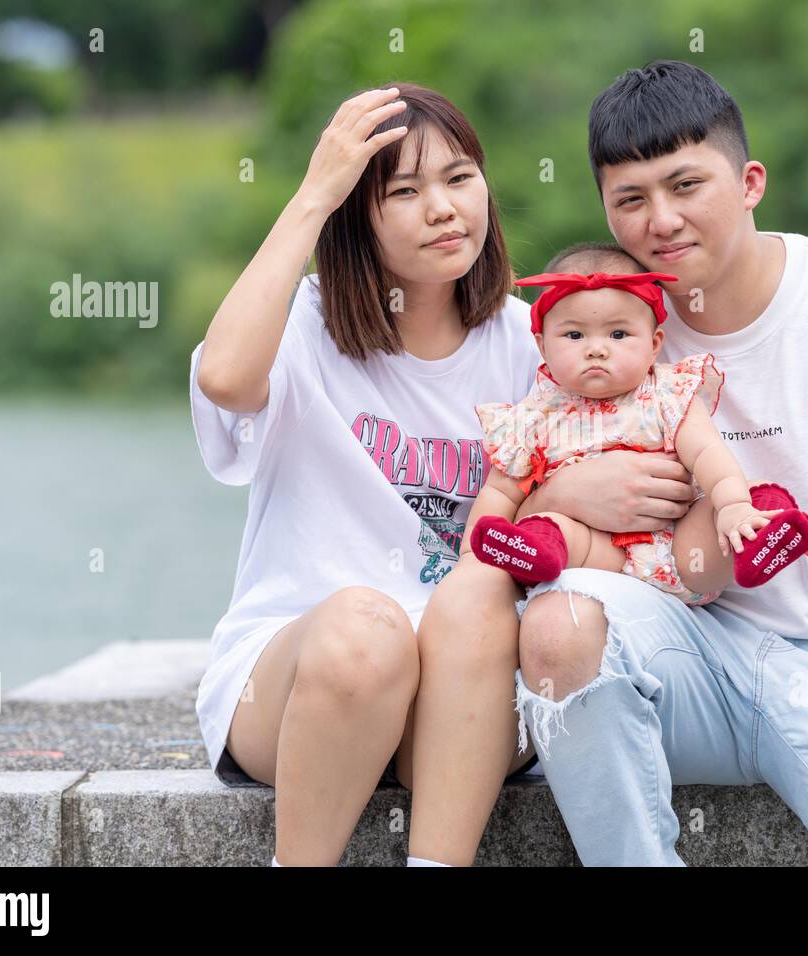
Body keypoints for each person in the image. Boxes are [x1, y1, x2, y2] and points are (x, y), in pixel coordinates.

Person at [508, 60, 808, 866]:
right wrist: (561, 491)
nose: (661, 220)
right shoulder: (597, 330)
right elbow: (514, 510)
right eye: (630, 199)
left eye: (686, 185)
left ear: (750, 182)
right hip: (686, 655)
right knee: (559, 621)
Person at [190, 82, 551, 867]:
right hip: (303, 688)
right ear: (357, 214)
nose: (444, 208)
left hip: (461, 697)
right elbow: (223, 379)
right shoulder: (307, 333)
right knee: (365, 625)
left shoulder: (532, 346)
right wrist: (314, 195)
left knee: (478, 609)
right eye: (404, 190)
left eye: (459, 178)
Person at [464, 241, 808, 610]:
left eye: (618, 335)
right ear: (541, 346)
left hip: (682, 548)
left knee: (725, 513)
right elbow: (501, 493)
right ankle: (535, 553)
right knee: (552, 526)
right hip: (602, 559)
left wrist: (733, 505)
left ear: (654, 345)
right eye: (574, 335)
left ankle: (759, 535)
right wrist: (469, 559)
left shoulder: (668, 394)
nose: (596, 349)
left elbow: (707, 453)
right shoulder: (532, 417)